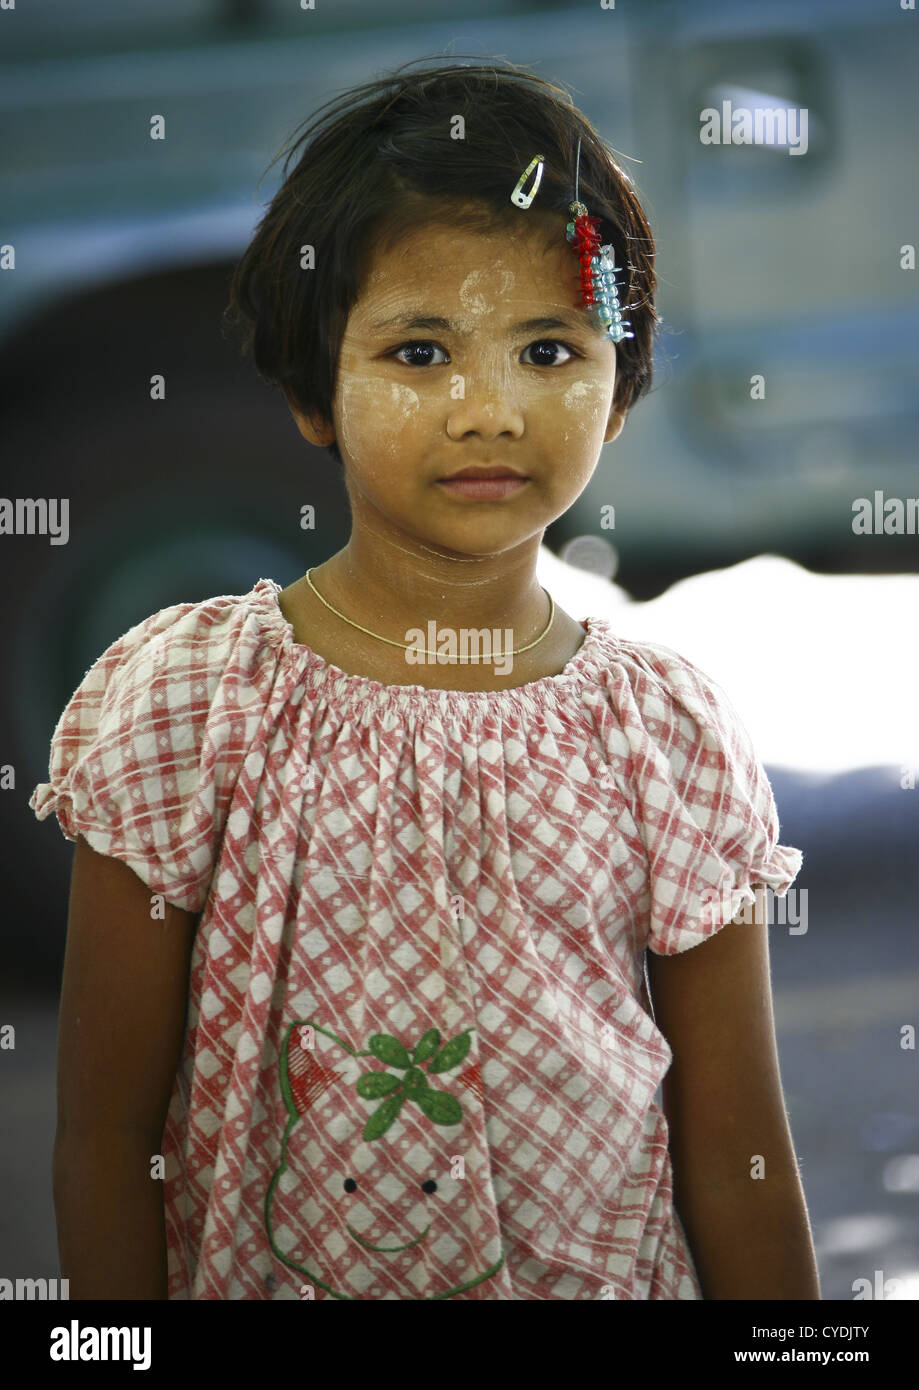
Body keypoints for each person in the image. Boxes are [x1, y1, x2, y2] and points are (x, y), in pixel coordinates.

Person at [29, 58, 821, 1301]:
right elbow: (106, 1139)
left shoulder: (664, 730)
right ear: (310, 393)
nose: (488, 408)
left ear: (618, 392)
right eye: (417, 351)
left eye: (549, 348)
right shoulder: (186, 703)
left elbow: (738, 1160)